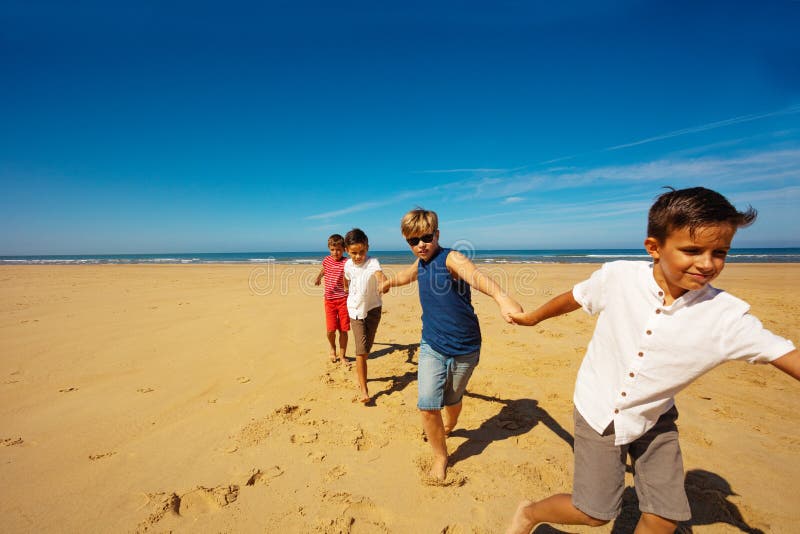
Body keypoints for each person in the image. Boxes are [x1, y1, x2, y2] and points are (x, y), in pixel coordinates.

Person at [505, 187, 799, 534]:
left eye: (719, 252)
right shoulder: (619, 277)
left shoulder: (727, 317)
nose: (707, 264)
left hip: (654, 415)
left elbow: (786, 354)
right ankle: (529, 512)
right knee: (595, 512)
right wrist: (534, 318)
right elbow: (576, 297)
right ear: (654, 248)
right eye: (692, 250)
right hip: (598, 407)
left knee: (664, 516)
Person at [381, 208, 523, 481]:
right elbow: (406, 275)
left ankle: (453, 420)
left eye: (426, 237)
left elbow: (477, 276)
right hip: (431, 344)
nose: (420, 245)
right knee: (427, 404)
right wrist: (388, 283)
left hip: (465, 347)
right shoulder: (420, 263)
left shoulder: (451, 258)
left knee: (453, 399)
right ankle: (440, 456)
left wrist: (502, 298)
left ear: (437, 234)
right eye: (413, 241)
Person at [343, 228, 386, 404]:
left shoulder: (373, 262)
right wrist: (346, 288)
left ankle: (362, 372)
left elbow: (379, 275)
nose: (358, 256)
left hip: (373, 310)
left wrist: (384, 283)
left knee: (366, 349)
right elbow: (346, 277)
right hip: (355, 311)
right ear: (347, 250)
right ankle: (364, 390)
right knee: (361, 352)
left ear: (367, 247)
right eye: (354, 253)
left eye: (362, 251)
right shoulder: (347, 265)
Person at [314, 234, 349, 365]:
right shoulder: (326, 260)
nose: (336, 252)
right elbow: (324, 269)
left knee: (343, 329)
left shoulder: (346, 262)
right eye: (333, 249)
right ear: (329, 249)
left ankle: (342, 355)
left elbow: (350, 275)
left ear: (344, 249)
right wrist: (319, 277)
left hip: (343, 300)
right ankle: (332, 348)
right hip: (329, 301)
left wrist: (347, 286)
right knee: (330, 330)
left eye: (339, 249)